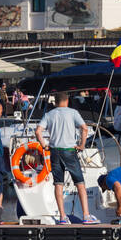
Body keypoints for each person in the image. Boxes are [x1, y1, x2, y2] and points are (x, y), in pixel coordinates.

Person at [35, 91, 96, 223]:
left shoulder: (49, 114)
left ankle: (63, 217)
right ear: (67, 101)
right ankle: (86, 215)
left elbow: (38, 131)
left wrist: (44, 145)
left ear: (55, 102)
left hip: (55, 151)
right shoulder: (73, 113)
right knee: (80, 183)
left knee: (58, 183)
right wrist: (82, 145)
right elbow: (84, 128)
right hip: (69, 150)